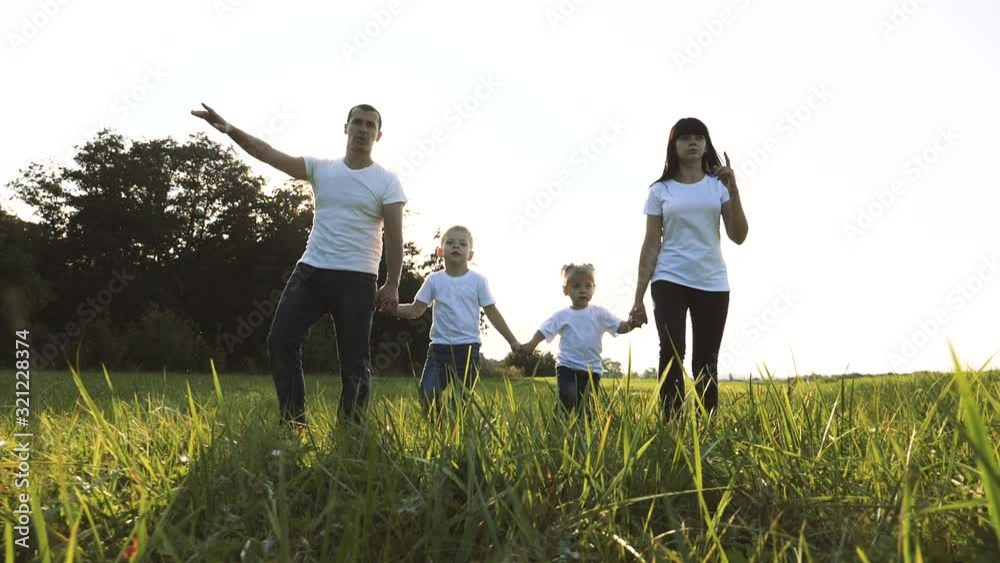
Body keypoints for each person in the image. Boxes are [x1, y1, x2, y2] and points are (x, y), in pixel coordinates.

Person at [191, 102, 406, 426]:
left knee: (354, 361)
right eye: (357, 122)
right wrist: (229, 129)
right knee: (281, 339)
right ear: (345, 127)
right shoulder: (321, 168)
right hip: (311, 271)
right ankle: (293, 423)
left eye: (370, 125)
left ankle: (350, 431)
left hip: (357, 278)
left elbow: (393, 236)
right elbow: (268, 153)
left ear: (379, 135)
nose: (363, 129)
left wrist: (391, 283)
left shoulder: (387, 181)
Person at [629, 117, 749, 419]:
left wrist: (734, 189)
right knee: (671, 351)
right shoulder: (660, 191)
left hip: (712, 282)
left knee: (706, 361)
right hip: (669, 278)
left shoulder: (718, 188)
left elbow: (738, 236)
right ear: (674, 146)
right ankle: (673, 426)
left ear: (707, 144)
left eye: (698, 137)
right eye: (685, 138)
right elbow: (650, 245)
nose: (692, 142)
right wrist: (638, 297)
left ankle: (705, 429)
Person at [394, 226, 520, 411]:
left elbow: (492, 313)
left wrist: (512, 340)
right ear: (440, 251)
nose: (456, 246)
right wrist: (390, 307)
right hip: (439, 351)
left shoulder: (478, 281)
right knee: (427, 393)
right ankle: (436, 429)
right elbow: (415, 310)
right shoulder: (434, 280)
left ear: (470, 254)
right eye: (450, 242)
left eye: (462, 244)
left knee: (461, 404)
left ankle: (457, 433)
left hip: (468, 351)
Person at [520, 263, 635, 414]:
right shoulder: (562, 315)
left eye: (588, 286)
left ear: (594, 288)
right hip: (567, 367)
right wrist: (531, 345)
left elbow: (620, 326)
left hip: (592, 370)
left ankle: (582, 434)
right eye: (576, 286)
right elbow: (544, 330)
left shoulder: (600, 313)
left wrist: (632, 323)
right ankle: (560, 428)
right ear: (565, 290)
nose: (583, 290)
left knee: (586, 409)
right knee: (568, 400)